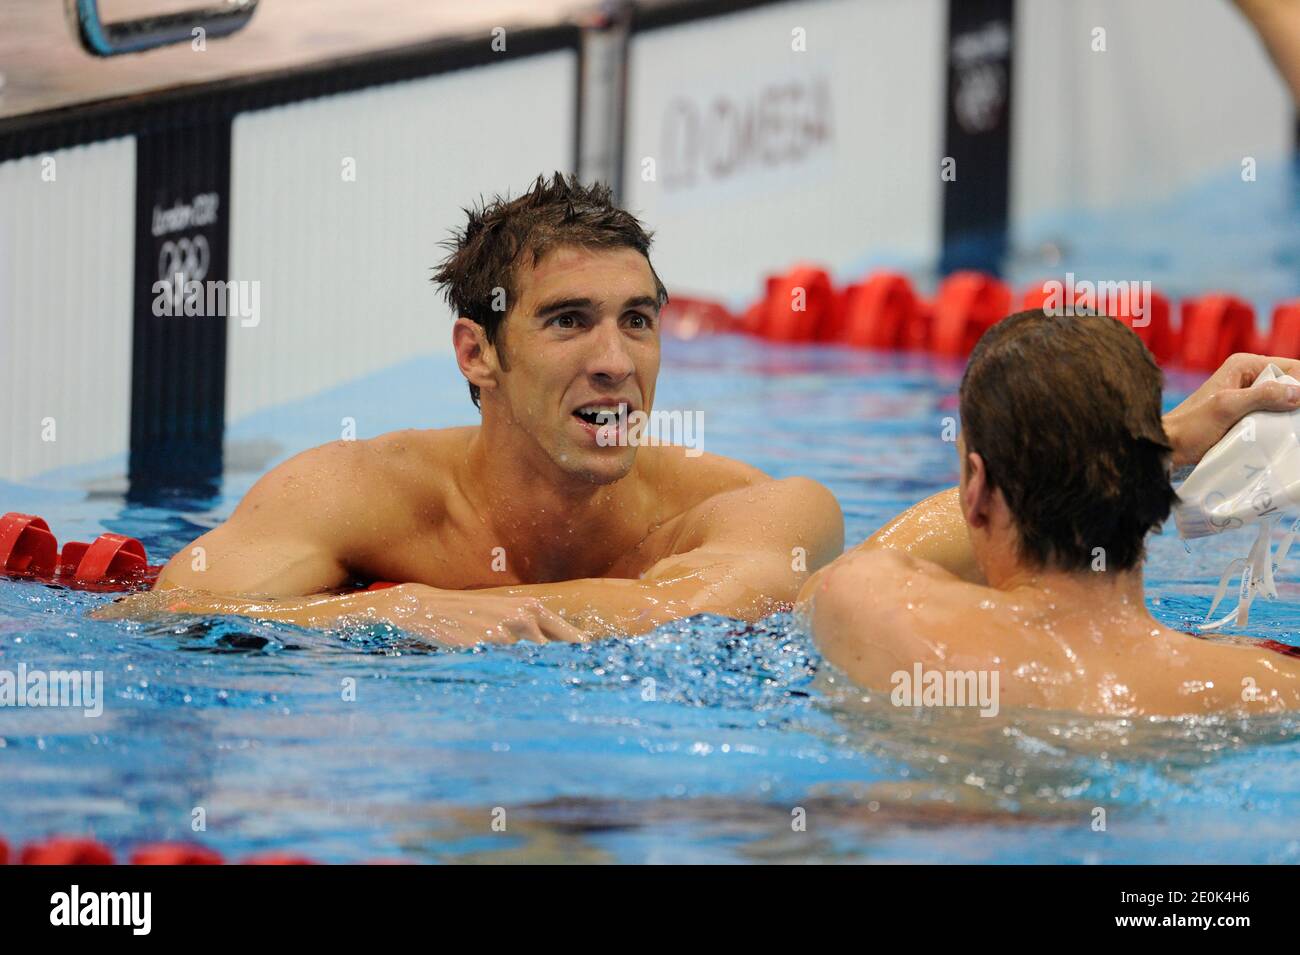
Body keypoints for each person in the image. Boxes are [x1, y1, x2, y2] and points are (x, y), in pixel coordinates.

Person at [98, 174, 843, 645]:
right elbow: (156, 615)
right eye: (569, 320)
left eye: (637, 321)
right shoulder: (356, 491)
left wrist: (458, 609)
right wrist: (393, 611)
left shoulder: (749, 506)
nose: (616, 362)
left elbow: (687, 613)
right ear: (476, 352)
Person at [798, 309, 1300, 716]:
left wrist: (1164, 441)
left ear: (976, 486)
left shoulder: (873, 607)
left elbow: (810, 595)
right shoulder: (1265, 688)